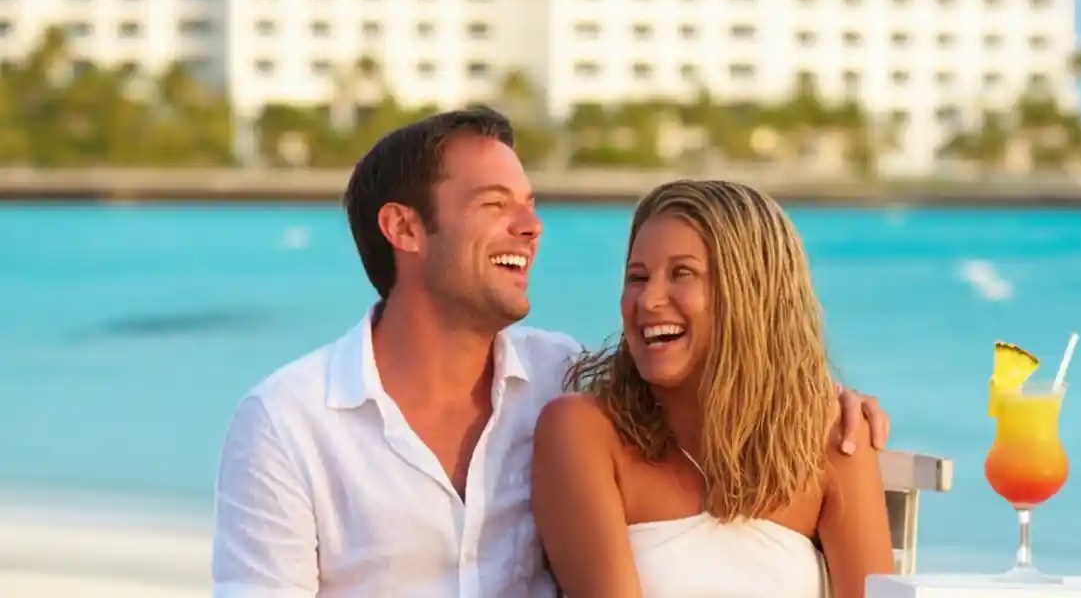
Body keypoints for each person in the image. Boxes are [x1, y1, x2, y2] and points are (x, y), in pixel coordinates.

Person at [211, 107, 891, 597]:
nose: (531, 226)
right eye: (495, 203)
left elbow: (715, 384)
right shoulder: (288, 422)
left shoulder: (556, 379)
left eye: (530, 205)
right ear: (405, 228)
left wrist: (823, 397)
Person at [531, 178, 895, 598]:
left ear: (750, 293)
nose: (648, 299)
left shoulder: (835, 435)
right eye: (637, 276)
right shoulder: (584, 431)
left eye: (681, 273)